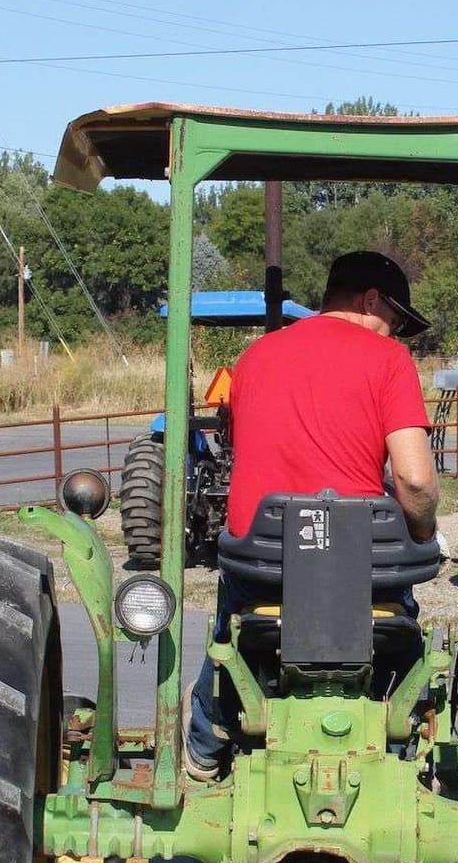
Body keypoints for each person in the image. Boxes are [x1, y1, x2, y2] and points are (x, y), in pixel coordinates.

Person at [185, 250, 440, 779]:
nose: (392, 334)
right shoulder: (387, 361)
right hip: (359, 574)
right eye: (393, 320)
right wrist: (422, 528)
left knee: (228, 637)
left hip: (262, 563)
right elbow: (415, 479)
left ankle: (206, 743)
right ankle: (397, 741)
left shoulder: (254, 358)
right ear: (370, 300)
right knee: (403, 636)